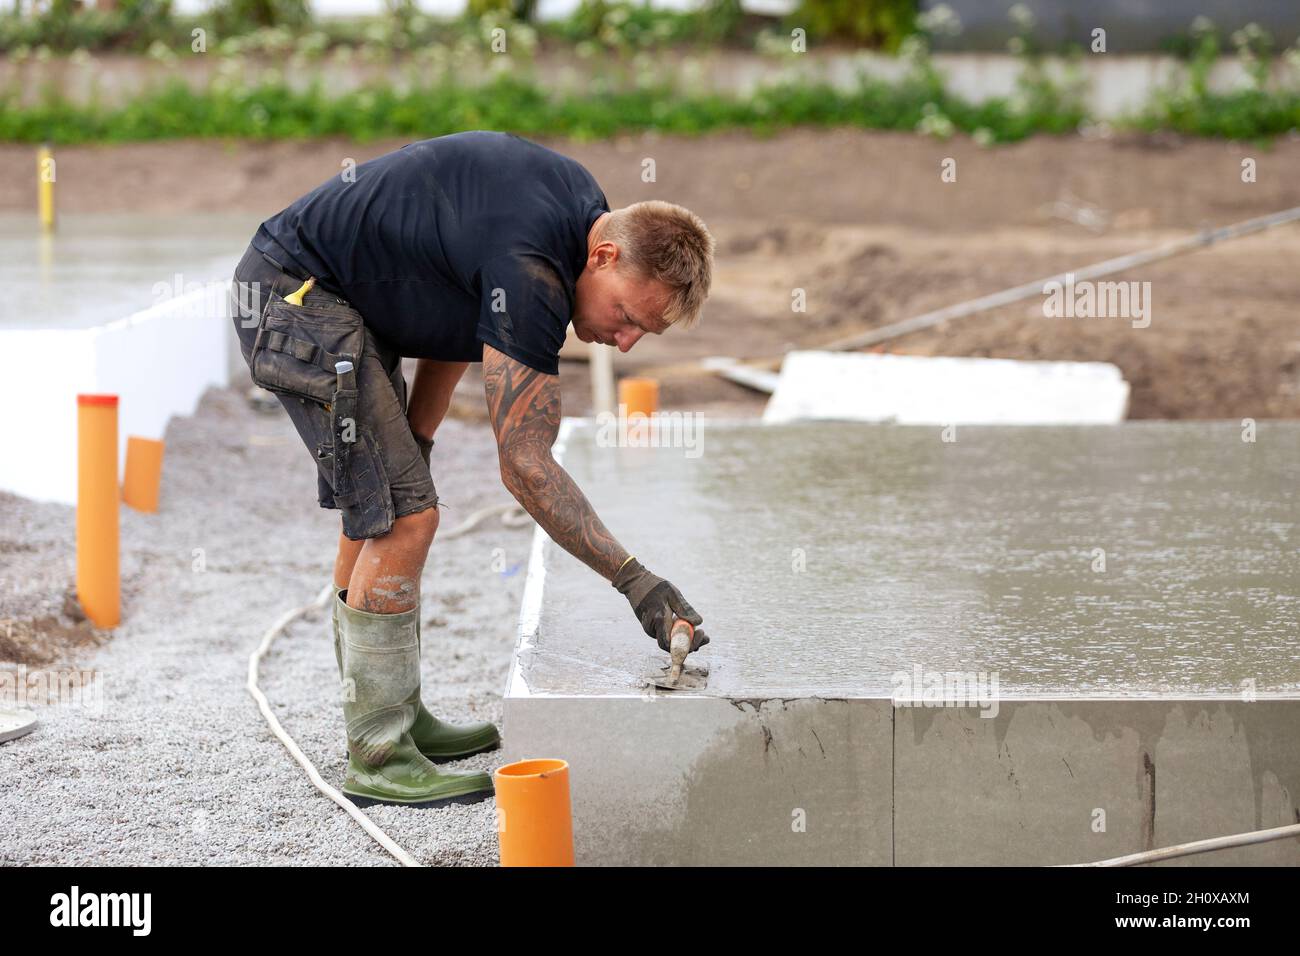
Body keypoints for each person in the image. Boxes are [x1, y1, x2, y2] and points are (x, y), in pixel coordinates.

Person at [227, 130, 714, 806]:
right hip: (295, 297)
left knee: (395, 502)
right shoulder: (535, 268)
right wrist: (637, 583)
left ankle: (396, 713)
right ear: (603, 256)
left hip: (330, 298)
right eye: (628, 317)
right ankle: (378, 752)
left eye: (643, 335)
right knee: (405, 517)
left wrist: (416, 439)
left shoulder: (579, 212)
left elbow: (458, 306)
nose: (624, 342)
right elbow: (525, 466)